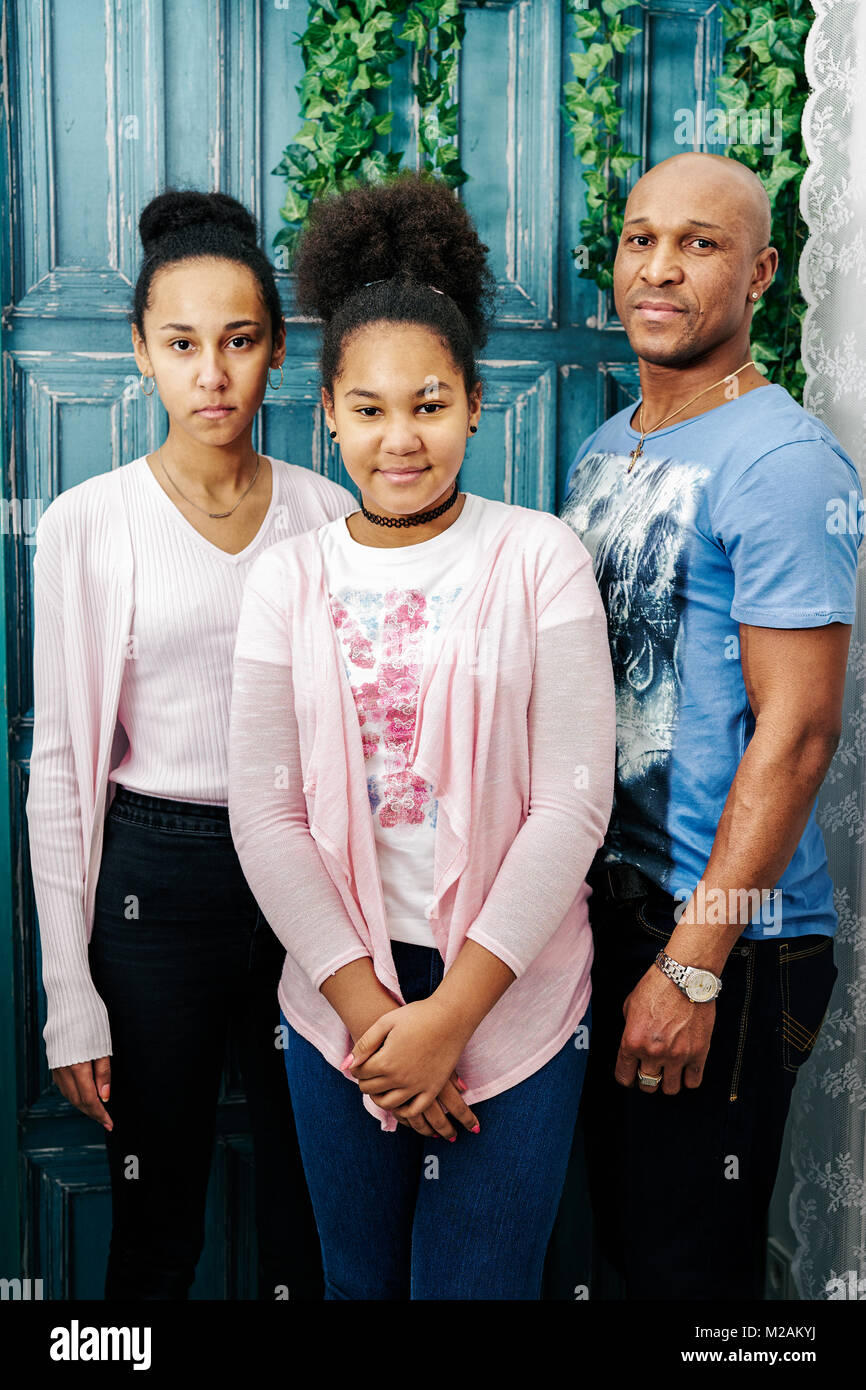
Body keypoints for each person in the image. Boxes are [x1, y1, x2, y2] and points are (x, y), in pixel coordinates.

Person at [227, 170, 616, 1300]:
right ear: (328, 414)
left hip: (512, 990)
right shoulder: (287, 581)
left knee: (478, 1288)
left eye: (430, 404)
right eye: (370, 408)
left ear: (476, 402)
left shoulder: (538, 558)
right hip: (335, 992)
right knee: (357, 1283)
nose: (400, 439)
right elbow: (266, 810)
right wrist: (373, 1019)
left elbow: (571, 801)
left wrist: (450, 1017)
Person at [25, 188, 357, 1300]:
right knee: (153, 1217)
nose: (210, 374)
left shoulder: (327, 514)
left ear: (273, 353)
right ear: (140, 354)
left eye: (239, 341)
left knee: (315, 1202)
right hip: (152, 889)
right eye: (181, 344)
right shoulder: (86, 522)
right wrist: (68, 990)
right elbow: (63, 768)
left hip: (305, 882)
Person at [558, 151, 863, 1300]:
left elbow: (795, 735)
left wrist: (690, 966)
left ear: (758, 274)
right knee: (628, 1249)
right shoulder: (609, 444)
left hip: (724, 939)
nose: (660, 267)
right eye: (642, 238)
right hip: (615, 910)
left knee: (688, 1276)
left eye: (699, 243)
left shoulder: (780, 463)